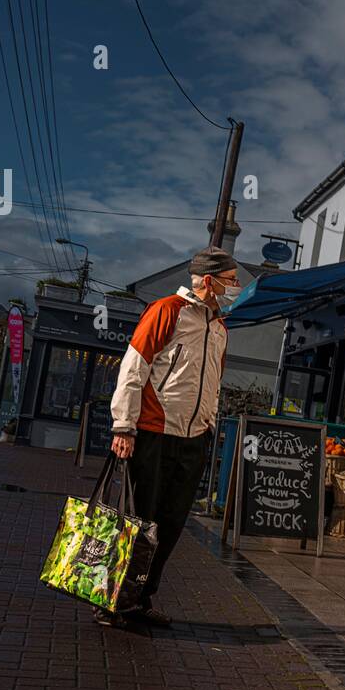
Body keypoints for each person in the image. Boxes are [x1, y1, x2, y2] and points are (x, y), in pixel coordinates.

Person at [99, 246, 240, 628]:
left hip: (193, 438)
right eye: (230, 281)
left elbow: (211, 385)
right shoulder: (166, 311)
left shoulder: (220, 328)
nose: (236, 287)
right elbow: (133, 368)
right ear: (208, 281)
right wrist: (123, 426)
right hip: (152, 432)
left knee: (170, 524)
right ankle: (111, 601)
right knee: (138, 520)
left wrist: (208, 423)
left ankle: (141, 598)